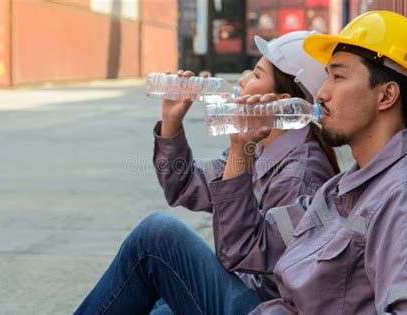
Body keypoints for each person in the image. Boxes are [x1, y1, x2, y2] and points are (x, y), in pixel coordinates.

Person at [75, 10, 407, 314]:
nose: (322, 92)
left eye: (338, 76)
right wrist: (236, 149)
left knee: (158, 235)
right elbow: (241, 246)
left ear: (387, 96)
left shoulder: (402, 195)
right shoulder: (342, 189)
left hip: (252, 301)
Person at [75, 30, 338, 315]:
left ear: (281, 101)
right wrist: (172, 122)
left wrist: (238, 155)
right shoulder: (259, 147)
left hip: (264, 306)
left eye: (256, 76)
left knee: (158, 234)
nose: (242, 80)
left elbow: (248, 251)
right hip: (244, 289)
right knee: (155, 302)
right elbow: (185, 185)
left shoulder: (300, 174)